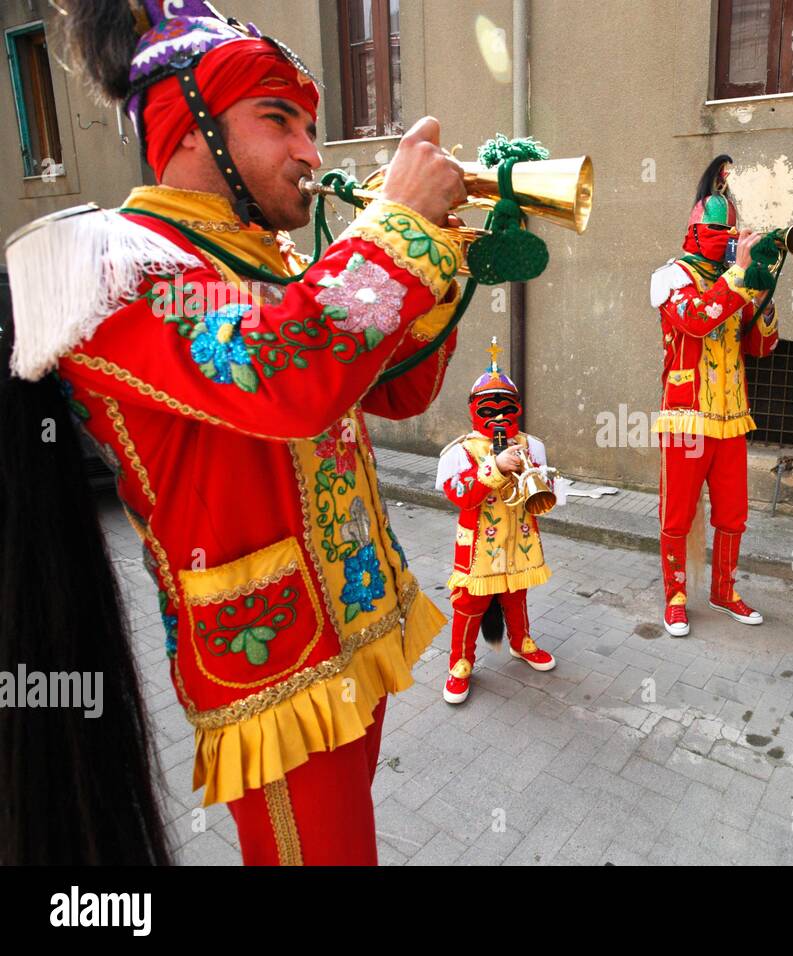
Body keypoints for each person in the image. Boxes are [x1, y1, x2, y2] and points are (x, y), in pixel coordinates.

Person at [2, 0, 469, 864]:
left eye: (310, 125)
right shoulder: (120, 268)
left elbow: (395, 394)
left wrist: (437, 266)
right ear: (187, 129)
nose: (308, 152)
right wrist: (397, 232)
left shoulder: (272, 258)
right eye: (277, 119)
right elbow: (285, 374)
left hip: (355, 622)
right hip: (274, 668)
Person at [650, 155, 780, 638]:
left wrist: (765, 294)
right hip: (686, 417)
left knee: (733, 515)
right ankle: (676, 596)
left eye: (732, 234)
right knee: (677, 514)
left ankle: (724, 592)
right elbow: (698, 319)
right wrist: (739, 277)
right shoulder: (671, 277)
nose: (728, 242)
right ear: (694, 231)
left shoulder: (737, 277)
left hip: (732, 418)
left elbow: (762, 346)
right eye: (719, 234)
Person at [435, 338, 557, 704]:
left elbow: (545, 489)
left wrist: (540, 477)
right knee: (470, 601)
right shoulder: (460, 450)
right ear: (474, 409)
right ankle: (460, 662)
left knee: (515, 592)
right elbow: (460, 495)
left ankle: (521, 642)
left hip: (518, 536)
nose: (501, 415)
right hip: (478, 543)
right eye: (490, 408)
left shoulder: (531, 444)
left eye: (508, 407)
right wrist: (494, 467)